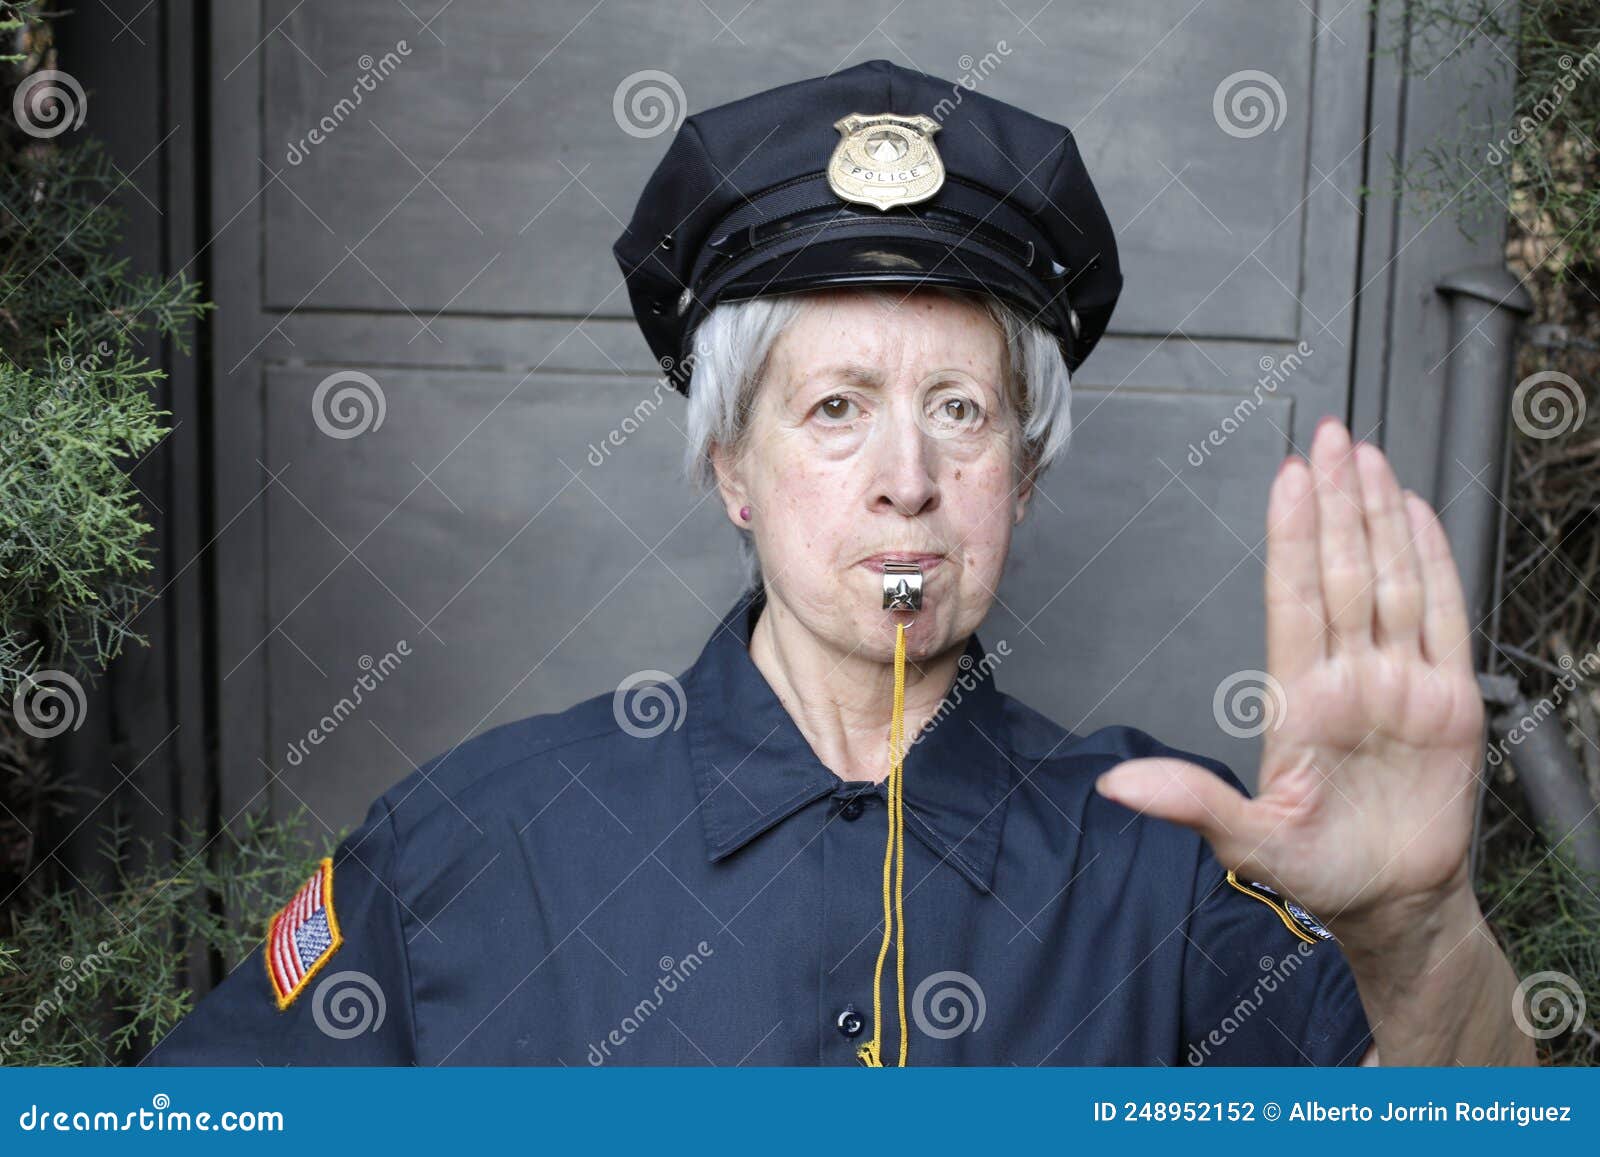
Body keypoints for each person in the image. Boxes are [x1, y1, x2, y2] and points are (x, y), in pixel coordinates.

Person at [145, 59, 1533, 1067]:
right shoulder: (468, 843)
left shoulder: (1174, 867)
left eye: (961, 411)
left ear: (1024, 474)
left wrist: (1422, 938)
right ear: (732, 469)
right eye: (834, 408)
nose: (906, 476)